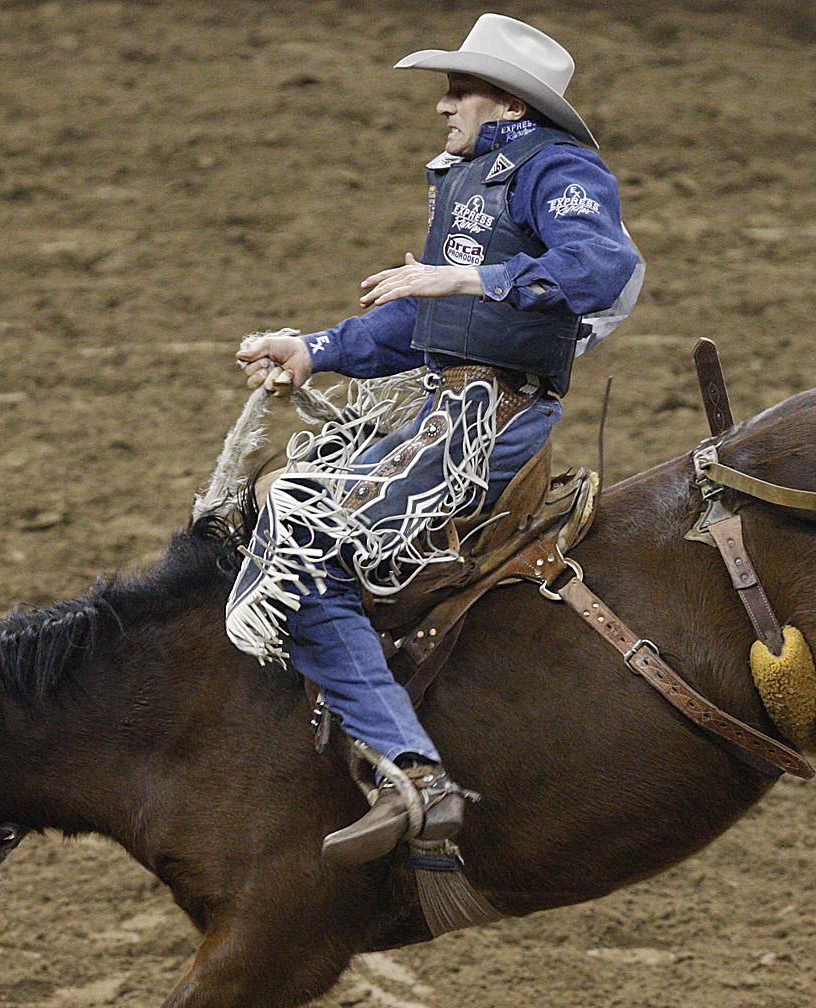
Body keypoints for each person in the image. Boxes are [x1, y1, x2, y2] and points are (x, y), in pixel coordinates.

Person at [229, 13, 643, 867]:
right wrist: (314, 349)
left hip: (487, 421)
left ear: (504, 100)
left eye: (457, 89)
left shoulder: (557, 167)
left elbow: (601, 266)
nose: (443, 106)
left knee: (301, 539)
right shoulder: (470, 180)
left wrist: (466, 274)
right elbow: (425, 323)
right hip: (441, 410)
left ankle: (412, 769)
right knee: (272, 507)